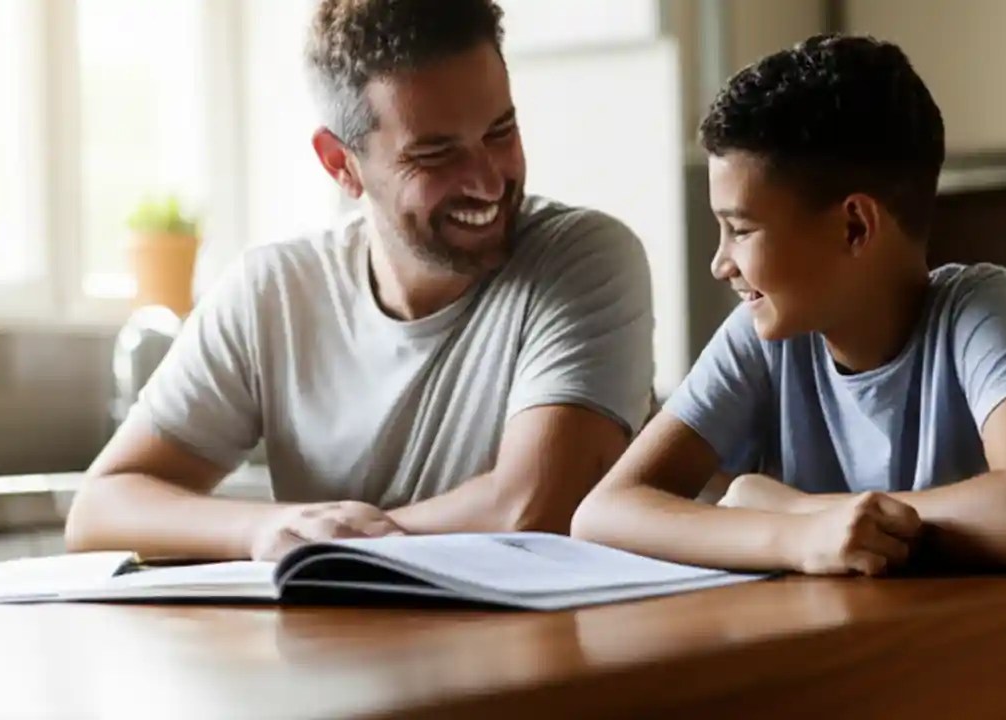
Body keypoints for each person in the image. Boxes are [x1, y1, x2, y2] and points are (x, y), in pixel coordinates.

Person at [65, 0, 654, 561]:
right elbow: (99, 508)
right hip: (346, 660)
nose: (488, 181)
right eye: (436, 154)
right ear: (341, 165)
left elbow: (534, 507)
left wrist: (331, 542)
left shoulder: (584, 258)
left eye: (501, 131)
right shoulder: (271, 292)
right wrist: (267, 528)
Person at [572, 34, 1006, 575]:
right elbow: (603, 514)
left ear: (854, 226)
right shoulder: (760, 338)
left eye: (741, 229)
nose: (721, 263)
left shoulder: (979, 310)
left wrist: (799, 509)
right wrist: (795, 538)